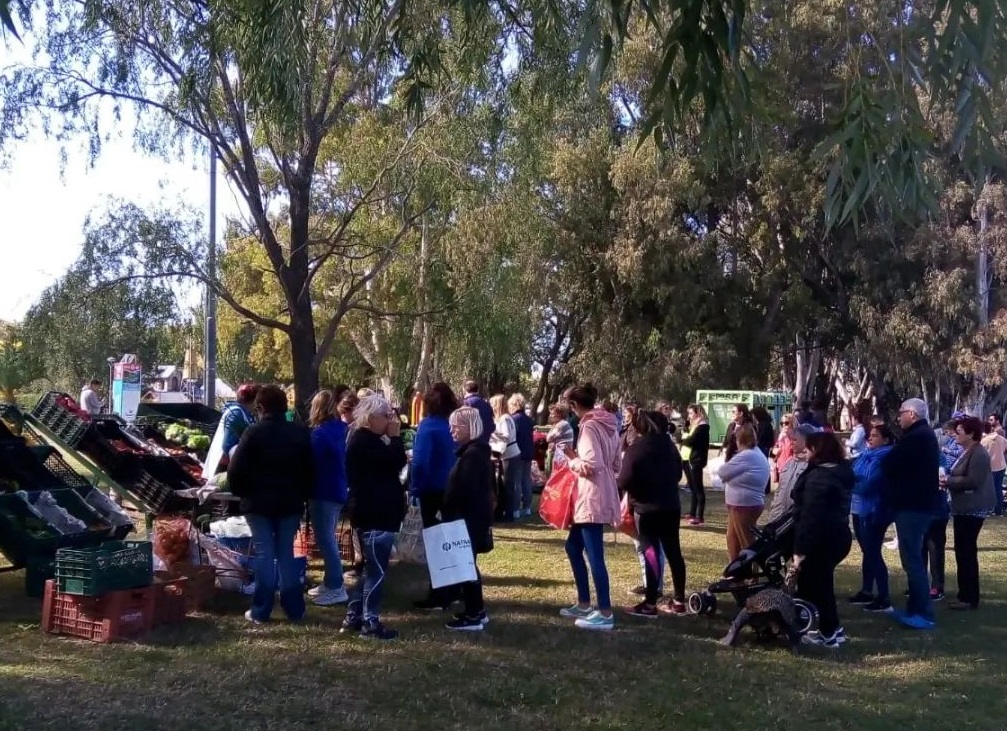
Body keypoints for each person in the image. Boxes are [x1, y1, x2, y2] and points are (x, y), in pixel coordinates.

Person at [227, 385, 313, 623]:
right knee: (286, 554)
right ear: (285, 406)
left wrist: (242, 492)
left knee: (264, 554)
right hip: (290, 502)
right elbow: (309, 471)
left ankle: (261, 609)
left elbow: (235, 471)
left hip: (258, 503)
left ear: (260, 407)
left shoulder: (253, 433)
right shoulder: (299, 433)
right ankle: (295, 609)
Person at [344, 395, 408, 640]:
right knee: (377, 572)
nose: (390, 421)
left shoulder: (365, 439)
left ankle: (354, 616)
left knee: (372, 569)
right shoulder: (364, 441)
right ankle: (370, 623)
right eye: (386, 416)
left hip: (375, 512)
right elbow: (396, 460)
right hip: (375, 513)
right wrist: (394, 437)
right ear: (371, 418)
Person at [558, 384, 621, 631]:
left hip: (591, 495)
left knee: (595, 555)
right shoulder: (610, 424)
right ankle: (585, 603)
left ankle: (604, 611)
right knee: (573, 547)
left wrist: (572, 458)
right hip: (603, 491)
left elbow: (589, 465)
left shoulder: (588, 427)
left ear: (574, 405)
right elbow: (615, 463)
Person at [620, 410, 688, 618]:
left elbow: (624, 480)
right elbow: (678, 474)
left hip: (646, 508)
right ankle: (678, 600)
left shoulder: (636, 448)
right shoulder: (670, 446)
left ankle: (650, 603)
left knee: (650, 552)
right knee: (673, 552)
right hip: (670, 506)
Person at [881, 398, 941, 629]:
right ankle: (915, 609)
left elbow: (890, 464)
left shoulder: (917, 438)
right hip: (917, 505)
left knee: (913, 561)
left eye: (901, 413)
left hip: (913, 507)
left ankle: (923, 614)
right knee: (913, 559)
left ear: (913, 414)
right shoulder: (922, 436)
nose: (898, 417)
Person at [792, 432, 854, 648]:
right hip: (839, 535)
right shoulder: (842, 471)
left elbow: (810, 517)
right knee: (821, 583)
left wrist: (799, 551)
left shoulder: (818, 479)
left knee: (820, 586)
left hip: (821, 538)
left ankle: (828, 633)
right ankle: (833, 628)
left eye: (808, 449)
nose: (805, 453)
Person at [441, 406, 496, 631]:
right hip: (472, 518)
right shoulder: (476, 452)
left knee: (466, 567)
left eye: (456, 426)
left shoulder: (472, 455)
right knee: (468, 566)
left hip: (468, 519)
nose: (452, 430)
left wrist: (446, 508)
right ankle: (477, 610)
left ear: (470, 427)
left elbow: (463, 490)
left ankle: (473, 614)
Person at [411, 383, 461, 611]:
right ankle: (456, 589)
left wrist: (414, 488)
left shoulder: (427, 427)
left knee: (436, 542)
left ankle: (439, 593)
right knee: (452, 539)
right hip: (453, 488)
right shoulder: (452, 426)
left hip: (432, 489)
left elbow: (420, 462)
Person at [944, 416, 996, 610]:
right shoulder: (968, 452)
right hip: (963, 509)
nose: (955, 435)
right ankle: (964, 594)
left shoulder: (979, 454)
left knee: (966, 553)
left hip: (971, 510)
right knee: (963, 552)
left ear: (971, 434)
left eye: (959, 432)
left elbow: (973, 480)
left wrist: (947, 481)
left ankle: (969, 597)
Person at [307, 389, 350, 607]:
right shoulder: (343, 429)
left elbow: (309, 463)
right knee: (328, 537)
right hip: (339, 488)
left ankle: (336, 586)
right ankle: (330, 581)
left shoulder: (319, 434)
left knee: (326, 539)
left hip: (322, 491)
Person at [848, 423, 895, 613]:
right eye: (870, 435)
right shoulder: (864, 456)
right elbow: (851, 476)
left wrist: (854, 483)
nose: (870, 438)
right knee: (867, 551)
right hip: (858, 508)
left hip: (875, 510)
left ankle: (884, 597)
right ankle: (867, 590)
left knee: (873, 552)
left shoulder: (885, 458)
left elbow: (869, 485)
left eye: (875, 436)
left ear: (885, 439)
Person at [717, 424, 771, 561]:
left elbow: (722, 472)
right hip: (742, 503)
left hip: (744, 505)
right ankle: (736, 570)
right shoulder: (755, 453)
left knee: (746, 541)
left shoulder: (747, 455)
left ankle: (751, 572)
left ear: (740, 439)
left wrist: (730, 477)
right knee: (732, 538)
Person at [767, 424, 817, 523]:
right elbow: (779, 490)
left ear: (807, 441)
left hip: (798, 521)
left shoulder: (812, 466)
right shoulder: (789, 463)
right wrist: (774, 512)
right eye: (791, 440)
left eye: (795, 440)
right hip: (779, 518)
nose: (791, 443)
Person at [490, 394, 522, 521]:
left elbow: (506, 436)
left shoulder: (504, 419)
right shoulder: (506, 418)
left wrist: (496, 452)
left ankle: (508, 514)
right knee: (503, 484)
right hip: (509, 453)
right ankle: (503, 511)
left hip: (509, 454)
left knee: (507, 484)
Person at [216, 383, 260, 473]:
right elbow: (228, 445)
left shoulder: (245, 412)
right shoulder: (236, 413)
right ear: (254, 400)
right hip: (228, 466)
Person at [680, 404, 711, 526]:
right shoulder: (693, 426)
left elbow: (689, 441)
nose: (689, 416)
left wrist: (685, 437)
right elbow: (682, 438)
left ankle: (699, 516)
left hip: (696, 460)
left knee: (698, 488)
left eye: (691, 413)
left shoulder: (703, 427)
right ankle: (692, 513)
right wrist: (685, 434)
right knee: (692, 487)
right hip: (687, 459)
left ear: (698, 413)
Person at [510, 393, 537, 517]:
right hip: (528, 451)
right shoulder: (528, 419)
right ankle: (527, 507)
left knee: (517, 481)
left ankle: (515, 509)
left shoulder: (513, 419)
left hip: (517, 452)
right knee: (526, 480)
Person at [980, 424, 1007, 517]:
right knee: (998, 488)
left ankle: (987, 509)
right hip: (1001, 465)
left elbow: (981, 454)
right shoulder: (1003, 439)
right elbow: (1004, 450)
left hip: (990, 467)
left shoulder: (984, 441)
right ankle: (998, 510)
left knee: (988, 489)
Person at [751, 406, 776, 495]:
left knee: (761, 467)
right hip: (765, 447)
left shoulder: (763, 425)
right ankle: (765, 488)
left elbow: (760, 438)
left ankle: (764, 488)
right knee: (764, 467)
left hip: (762, 447)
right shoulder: (766, 423)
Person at [545, 403, 574, 473]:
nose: (550, 416)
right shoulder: (562, 424)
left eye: (552, 414)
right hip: (562, 454)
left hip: (562, 456)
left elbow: (548, 438)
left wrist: (552, 442)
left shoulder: (562, 425)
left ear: (559, 414)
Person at [771, 414, 796, 484]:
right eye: (782, 423)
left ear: (792, 423)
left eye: (787, 423)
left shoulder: (796, 436)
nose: (784, 425)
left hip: (791, 469)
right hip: (781, 468)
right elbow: (774, 450)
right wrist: (774, 451)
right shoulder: (781, 436)